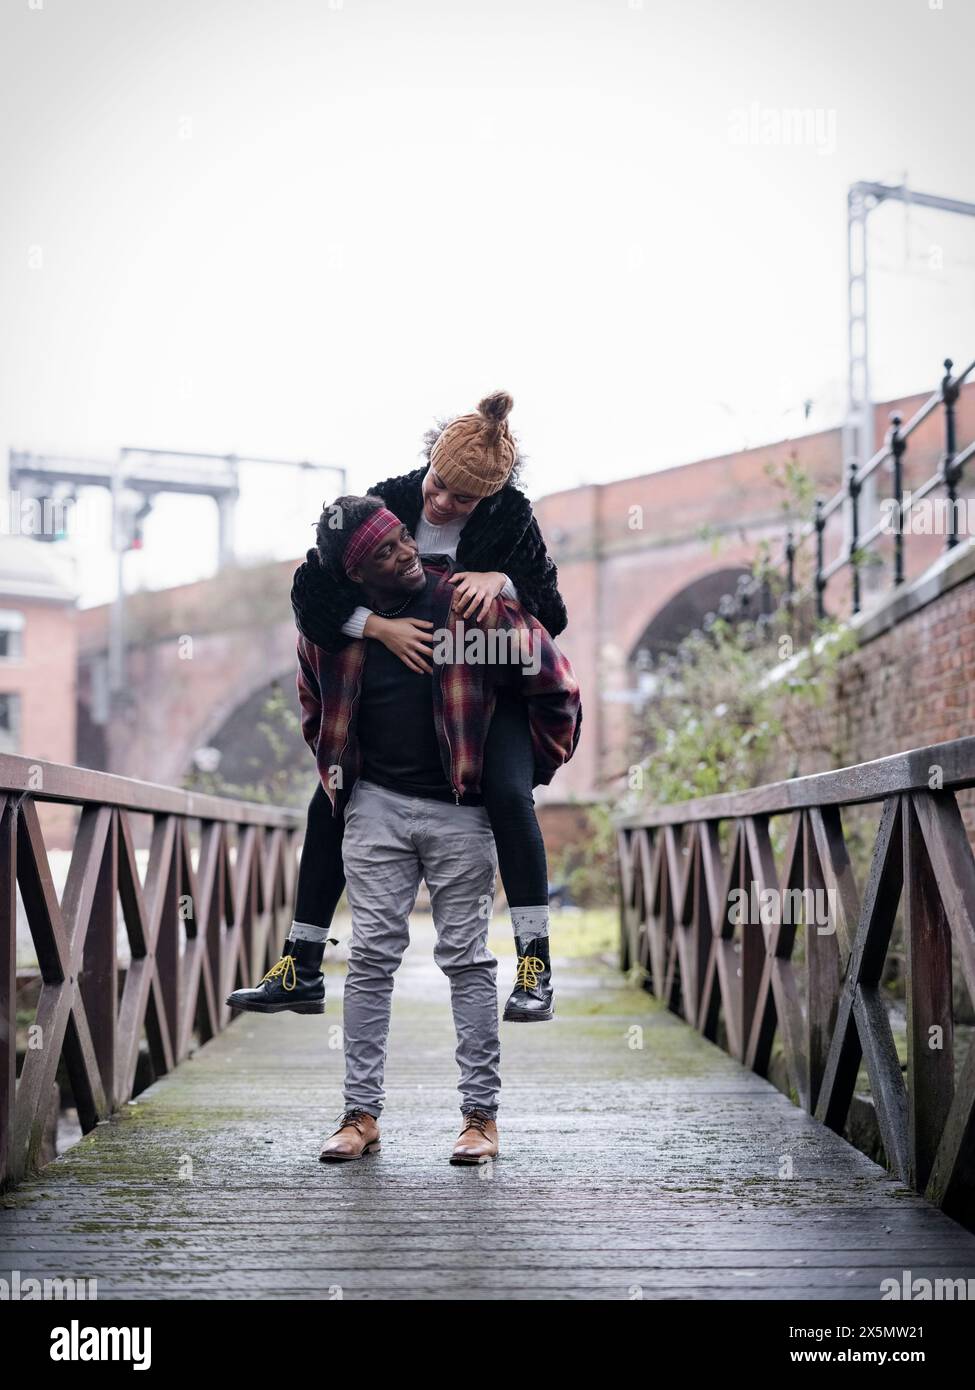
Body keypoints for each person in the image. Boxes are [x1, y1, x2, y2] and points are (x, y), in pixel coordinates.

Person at [227, 392, 569, 1022]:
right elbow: (312, 587)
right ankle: (300, 965)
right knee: (332, 792)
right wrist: (372, 626)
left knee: (510, 796)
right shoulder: (390, 497)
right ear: (428, 465)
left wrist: (505, 581)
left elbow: (553, 616)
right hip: (414, 683)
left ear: (488, 497)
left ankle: (535, 968)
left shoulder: (512, 518)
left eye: (461, 500)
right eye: (438, 486)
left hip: (492, 690)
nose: (441, 505)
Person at [281, 496, 581, 1162]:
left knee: (468, 961)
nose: (405, 552)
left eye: (400, 539)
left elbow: (556, 685)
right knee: (368, 962)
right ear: (357, 577)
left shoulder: (469, 606)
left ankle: (480, 1120)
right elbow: (314, 703)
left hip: (460, 807)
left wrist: (521, 775)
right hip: (377, 809)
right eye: (385, 553)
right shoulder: (332, 630)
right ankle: (359, 1116)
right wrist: (346, 775)